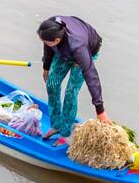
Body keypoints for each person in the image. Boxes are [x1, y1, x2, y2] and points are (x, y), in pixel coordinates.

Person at [36, 16, 109, 146]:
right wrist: (46, 66)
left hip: (86, 51)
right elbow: (47, 46)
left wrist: (100, 110)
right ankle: (56, 125)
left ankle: (65, 133)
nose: (45, 43)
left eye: (47, 41)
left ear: (57, 40)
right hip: (63, 50)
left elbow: (91, 74)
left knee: (71, 92)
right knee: (51, 84)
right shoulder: (50, 27)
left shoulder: (78, 46)